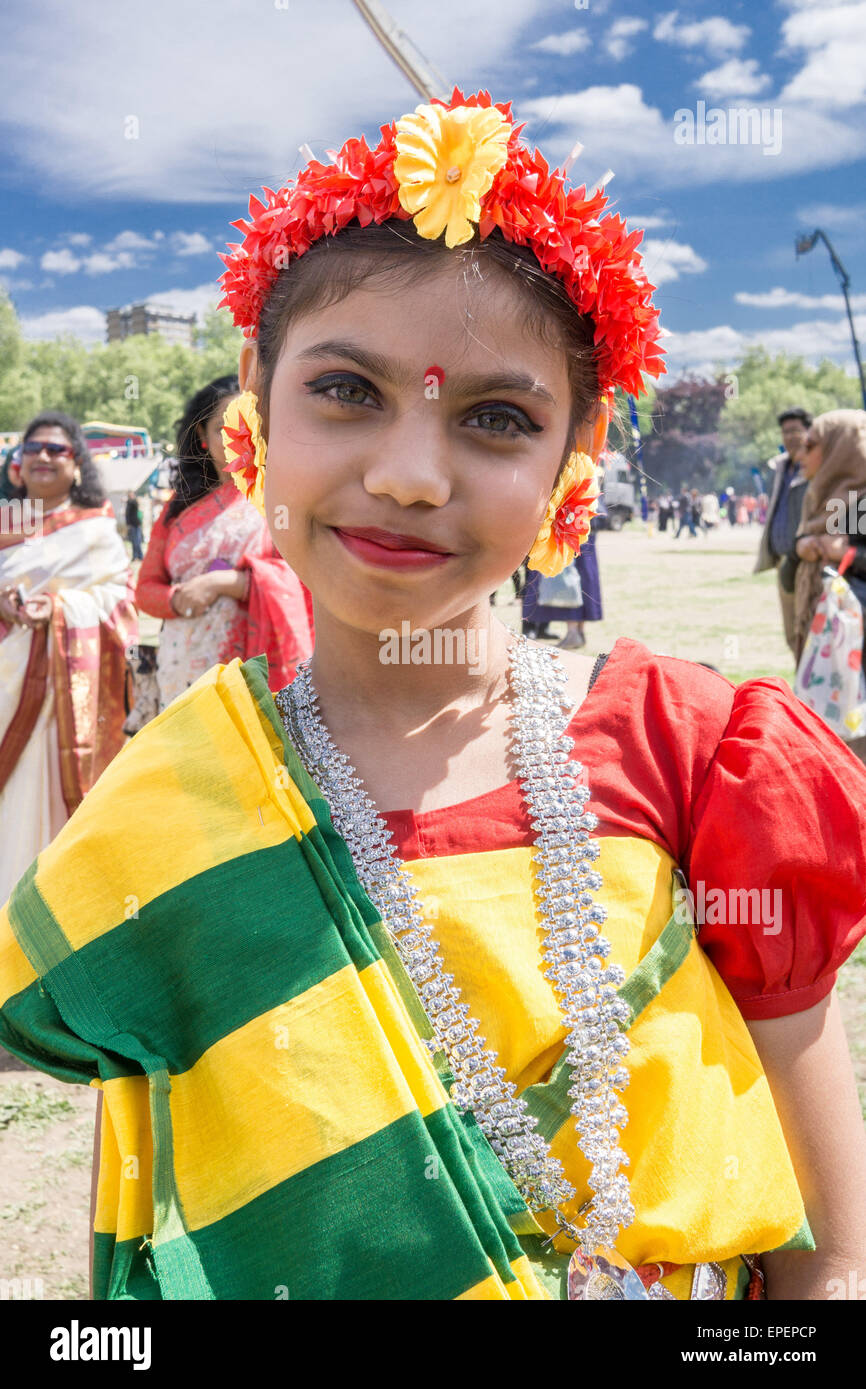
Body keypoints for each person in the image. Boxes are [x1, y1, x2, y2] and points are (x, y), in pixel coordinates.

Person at [2, 90, 866, 1304]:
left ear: (577, 446)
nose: (409, 475)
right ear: (254, 396)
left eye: (495, 418)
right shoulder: (176, 811)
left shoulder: (697, 758)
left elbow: (829, 1261)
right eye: (346, 390)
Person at [0, 411, 136, 905]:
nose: (42, 456)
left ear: (76, 464)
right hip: (4, 683)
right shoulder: (4, 521)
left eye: (57, 449)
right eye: (32, 448)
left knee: (38, 799)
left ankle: (38, 911)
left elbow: (121, 606)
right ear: (17, 463)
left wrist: (56, 609)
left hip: (56, 700)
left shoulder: (94, 530)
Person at [134, 375, 314, 712]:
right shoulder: (180, 507)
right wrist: (178, 599)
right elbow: (145, 587)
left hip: (254, 668)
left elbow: (310, 582)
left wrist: (230, 583)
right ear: (202, 435)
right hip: (180, 668)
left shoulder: (285, 498)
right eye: (223, 427)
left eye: (249, 423)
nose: (238, 436)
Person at [792, 410, 866, 762]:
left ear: (842, 447)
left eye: (810, 444)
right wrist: (803, 546)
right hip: (824, 651)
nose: (800, 454)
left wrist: (850, 549)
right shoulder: (816, 495)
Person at [755, 408, 812, 656]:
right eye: (785, 432)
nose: (790, 436)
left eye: (795, 430)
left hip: (806, 563)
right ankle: (801, 687)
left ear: (809, 432)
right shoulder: (780, 467)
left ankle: (809, 689)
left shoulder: (816, 466)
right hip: (782, 562)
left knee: (807, 630)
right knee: (791, 632)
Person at [125, 489, 144, 561]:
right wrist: (128, 524)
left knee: (138, 541)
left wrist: (127, 500)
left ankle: (140, 556)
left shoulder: (134, 502)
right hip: (132, 525)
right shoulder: (129, 503)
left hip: (136, 524)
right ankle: (135, 556)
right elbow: (127, 515)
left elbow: (134, 503)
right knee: (134, 541)